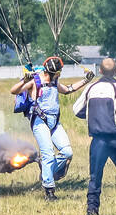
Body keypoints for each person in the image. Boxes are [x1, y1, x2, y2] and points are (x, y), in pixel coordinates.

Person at [10, 56, 92, 201]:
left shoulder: (54, 82)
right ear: (55, 72)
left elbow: (68, 90)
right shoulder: (35, 81)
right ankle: (49, 190)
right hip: (39, 121)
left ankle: (47, 170)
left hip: (55, 122)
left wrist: (86, 80)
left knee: (67, 152)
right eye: (59, 72)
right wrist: (24, 80)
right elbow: (14, 91)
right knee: (48, 154)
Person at [74, 57, 116, 215]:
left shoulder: (90, 88)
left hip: (98, 140)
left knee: (95, 176)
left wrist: (93, 116)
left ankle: (92, 211)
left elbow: (76, 109)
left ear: (100, 71)